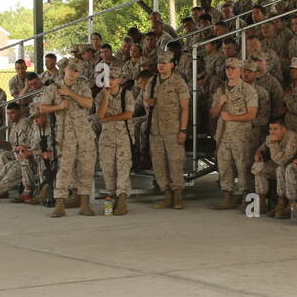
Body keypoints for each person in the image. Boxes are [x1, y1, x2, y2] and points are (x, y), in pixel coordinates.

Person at [37, 63, 97, 216]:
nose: (73, 73)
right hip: (65, 135)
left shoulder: (82, 86)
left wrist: (71, 93)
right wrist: (58, 107)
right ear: (65, 69)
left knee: (86, 167)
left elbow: (89, 103)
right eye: (71, 69)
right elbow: (42, 107)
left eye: (76, 71)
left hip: (84, 133)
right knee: (64, 168)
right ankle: (60, 204)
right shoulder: (53, 87)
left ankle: (84, 204)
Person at [144, 50, 191, 210]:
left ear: (172, 64)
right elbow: (145, 102)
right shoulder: (152, 81)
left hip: (173, 129)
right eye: (159, 63)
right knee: (159, 164)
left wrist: (183, 131)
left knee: (175, 162)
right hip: (155, 130)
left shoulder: (179, 82)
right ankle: (166, 194)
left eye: (164, 63)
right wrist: (147, 103)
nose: (161, 66)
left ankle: (178, 195)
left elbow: (185, 108)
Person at [211, 56, 260, 209]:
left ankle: (246, 196)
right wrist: (220, 104)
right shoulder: (220, 90)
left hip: (241, 136)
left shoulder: (248, 90)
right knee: (224, 165)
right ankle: (227, 196)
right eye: (228, 68)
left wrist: (231, 117)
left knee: (243, 165)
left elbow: (252, 114)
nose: (230, 71)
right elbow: (213, 113)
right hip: (223, 135)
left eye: (233, 68)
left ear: (240, 71)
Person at [95, 70, 136, 215]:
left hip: (123, 137)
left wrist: (109, 118)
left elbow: (128, 114)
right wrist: (106, 96)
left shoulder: (126, 94)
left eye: (112, 78)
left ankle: (122, 199)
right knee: (108, 169)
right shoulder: (100, 96)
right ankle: (113, 196)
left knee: (123, 168)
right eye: (106, 78)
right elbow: (99, 115)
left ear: (119, 80)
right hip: (107, 138)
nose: (109, 81)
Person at [253, 118, 297, 216]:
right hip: (278, 167)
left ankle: (287, 204)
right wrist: (257, 152)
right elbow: (263, 147)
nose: (272, 132)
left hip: (293, 168)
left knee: (281, 169)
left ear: (284, 129)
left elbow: (283, 161)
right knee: (259, 166)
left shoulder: (293, 138)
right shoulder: (270, 137)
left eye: (275, 129)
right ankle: (262, 201)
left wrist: (274, 144)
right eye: (270, 129)